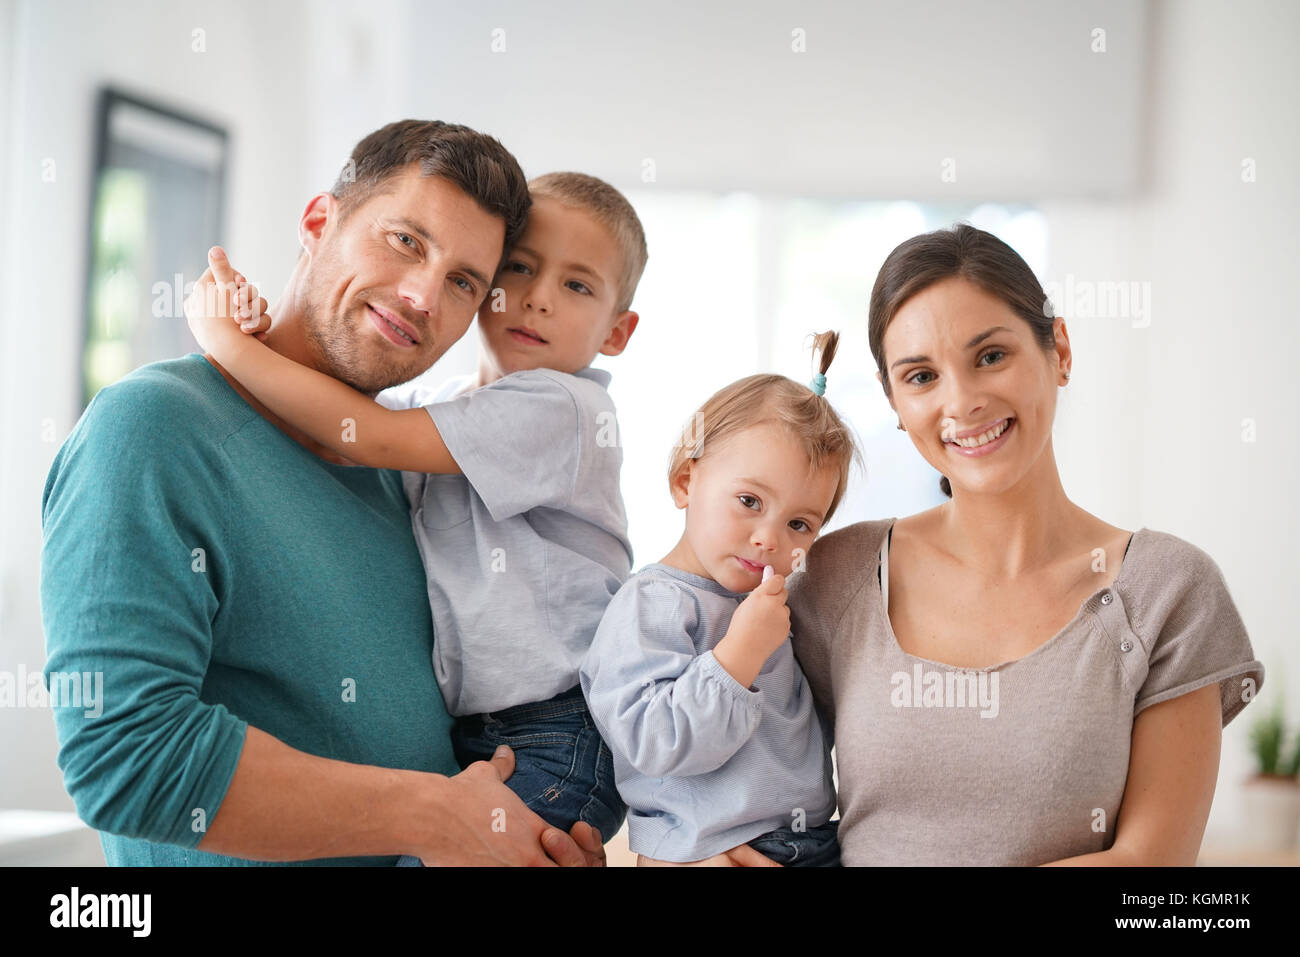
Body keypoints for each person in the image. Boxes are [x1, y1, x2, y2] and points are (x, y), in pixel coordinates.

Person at [39, 119, 603, 866]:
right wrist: (435, 815)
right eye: (405, 240)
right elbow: (126, 755)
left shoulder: (406, 475)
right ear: (318, 221)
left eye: (464, 281)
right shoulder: (154, 427)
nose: (422, 295)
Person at [185, 171, 648, 861]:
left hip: (557, 725)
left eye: (577, 285)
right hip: (482, 732)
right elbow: (336, 416)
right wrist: (254, 315)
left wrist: (227, 342)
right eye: (517, 269)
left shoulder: (567, 411)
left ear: (617, 332)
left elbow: (360, 431)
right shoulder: (447, 406)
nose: (537, 298)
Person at [786, 224, 1265, 865]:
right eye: (922, 376)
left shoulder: (1165, 590)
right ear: (894, 401)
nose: (963, 402)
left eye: (990, 356)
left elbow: (1150, 875)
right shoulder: (836, 577)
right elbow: (711, 746)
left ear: (1058, 349)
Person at [582, 332, 862, 866]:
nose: (768, 537)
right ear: (686, 481)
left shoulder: (775, 603)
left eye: (800, 523)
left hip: (813, 841)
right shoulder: (651, 605)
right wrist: (740, 655)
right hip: (708, 850)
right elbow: (655, 743)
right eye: (750, 501)